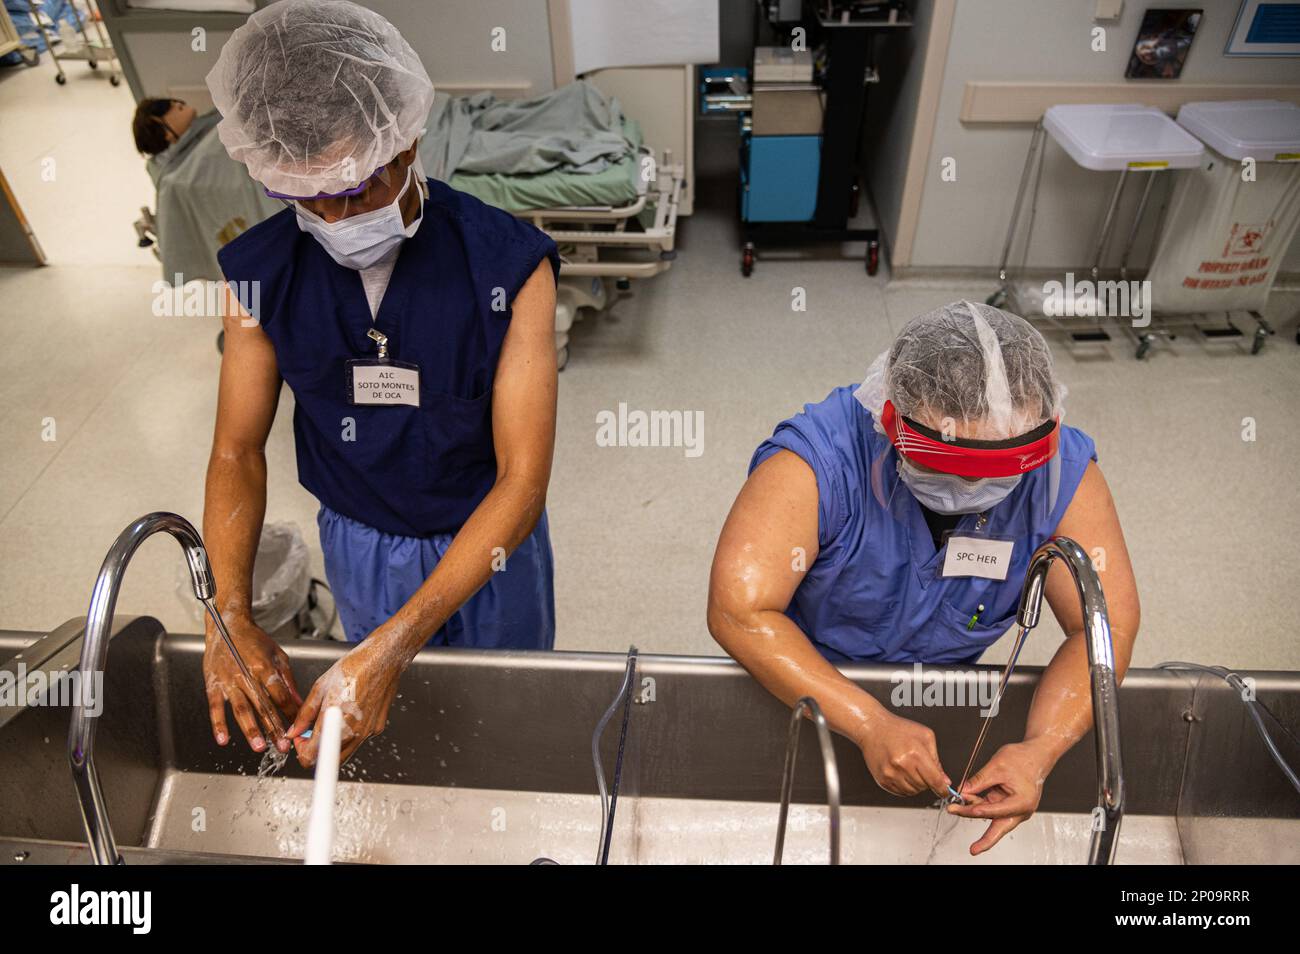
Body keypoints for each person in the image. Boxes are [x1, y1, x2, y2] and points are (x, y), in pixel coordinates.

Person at [200, 0, 559, 768]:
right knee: (400, 736)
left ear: (404, 139)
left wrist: (401, 638)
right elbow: (236, 450)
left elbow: (523, 480)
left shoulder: (506, 265)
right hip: (362, 543)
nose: (334, 215)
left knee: (509, 724)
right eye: (308, 196)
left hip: (490, 549)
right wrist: (227, 608)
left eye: (358, 187)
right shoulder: (261, 274)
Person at [707, 301, 1140, 856]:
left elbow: (1106, 625)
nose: (974, 487)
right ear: (894, 422)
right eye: (952, 463)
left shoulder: (1060, 477)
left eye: (1001, 468)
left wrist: (1041, 749)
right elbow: (738, 612)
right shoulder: (820, 462)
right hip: (797, 683)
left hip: (940, 694)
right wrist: (866, 722)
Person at [131, 97, 198, 156]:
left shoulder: (197, 139)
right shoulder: (200, 156)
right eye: (164, 107)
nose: (177, 104)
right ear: (164, 133)